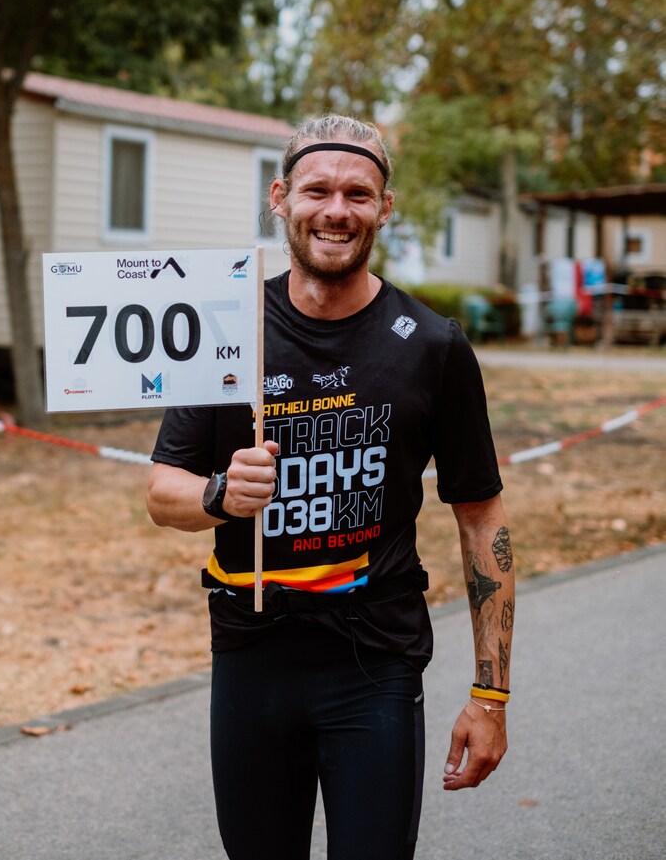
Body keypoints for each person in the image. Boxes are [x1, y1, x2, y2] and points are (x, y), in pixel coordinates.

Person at [146, 114, 514, 860]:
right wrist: (221, 494)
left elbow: (482, 519)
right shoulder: (227, 325)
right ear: (280, 197)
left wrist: (490, 696)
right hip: (253, 653)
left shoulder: (434, 347)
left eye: (358, 192)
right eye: (317, 189)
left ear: (385, 208)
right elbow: (162, 491)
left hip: (374, 658)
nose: (336, 210)